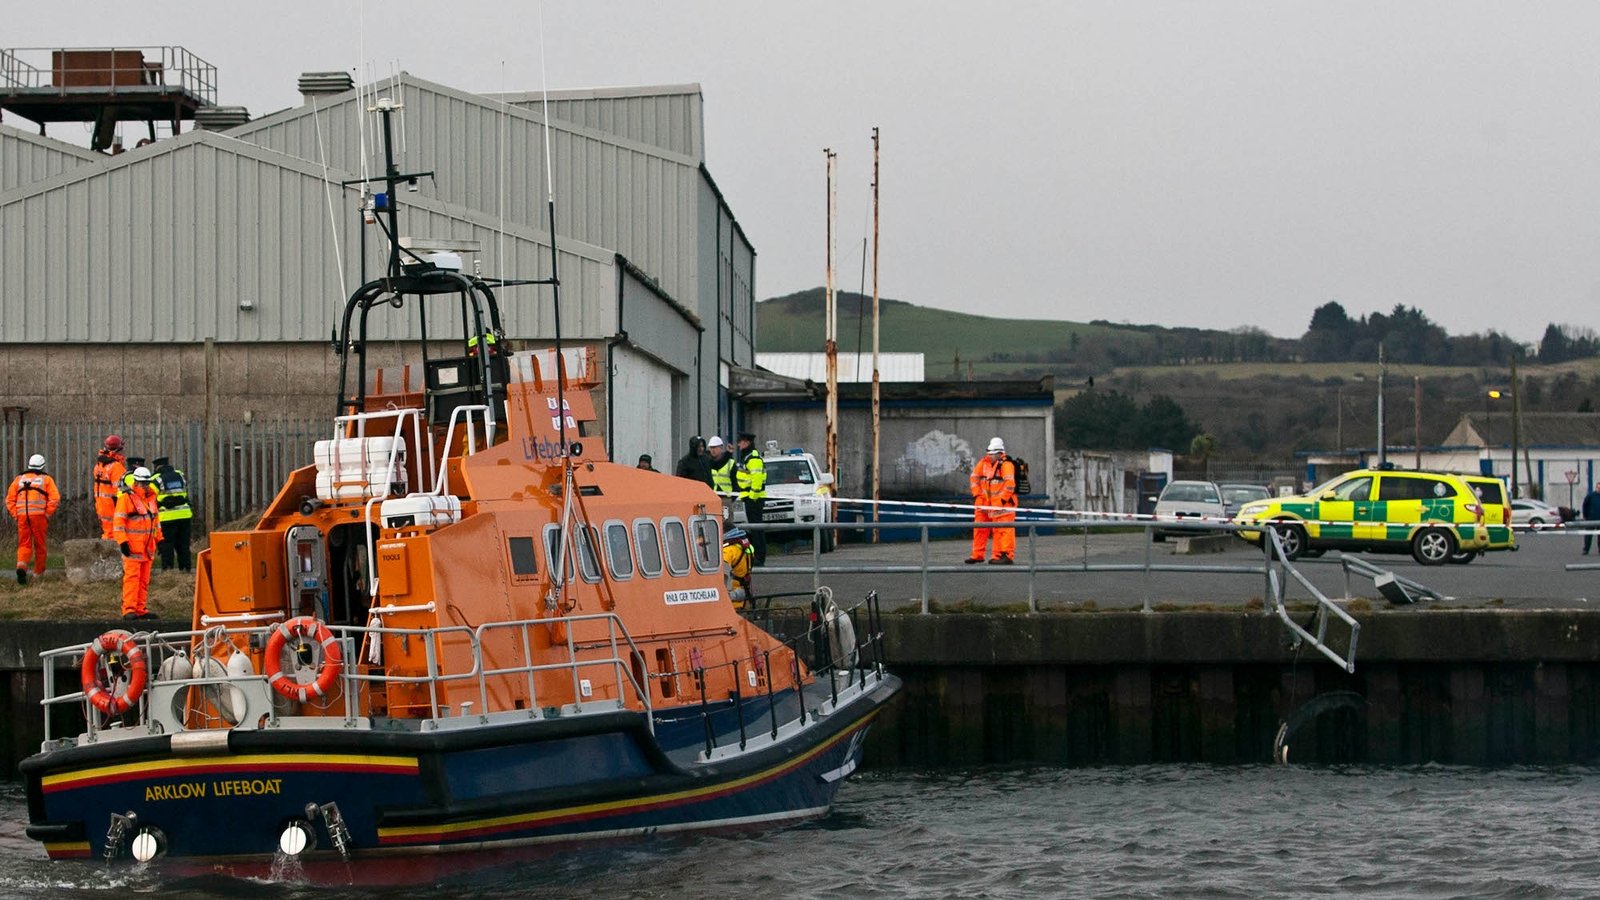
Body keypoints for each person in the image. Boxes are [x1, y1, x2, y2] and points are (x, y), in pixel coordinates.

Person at [113, 466, 163, 620]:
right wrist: (123, 542)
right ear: (135, 482)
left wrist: (160, 540)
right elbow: (118, 523)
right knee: (132, 579)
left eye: (147, 483)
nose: (145, 486)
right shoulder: (126, 498)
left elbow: (156, 522)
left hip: (147, 549)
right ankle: (129, 609)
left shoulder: (151, 499)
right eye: (142, 483)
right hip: (133, 548)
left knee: (143, 581)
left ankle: (140, 609)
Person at [6, 454, 60, 585]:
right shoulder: (46, 479)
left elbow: (9, 500)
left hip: (22, 516)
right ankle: (38, 574)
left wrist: (16, 514)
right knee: (40, 545)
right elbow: (55, 498)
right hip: (39, 516)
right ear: (43, 466)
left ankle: (21, 566)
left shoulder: (19, 479)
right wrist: (47, 514)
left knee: (24, 543)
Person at [967, 436, 1018, 564]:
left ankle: (1005, 555)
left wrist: (1001, 501)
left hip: (1002, 504)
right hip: (985, 502)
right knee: (980, 529)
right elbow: (974, 478)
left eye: (992, 454)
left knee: (1002, 530)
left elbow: (1010, 485)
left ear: (1000, 453)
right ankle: (978, 555)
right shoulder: (983, 463)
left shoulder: (1006, 465)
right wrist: (978, 495)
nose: (990, 456)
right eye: (989, 453)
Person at [151, 456, 193, 572]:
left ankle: (168, 569)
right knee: (183, 544)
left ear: (157, 467)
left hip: (167, 517)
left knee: (167, 545)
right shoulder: (180, 475)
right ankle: (185, 568)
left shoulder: (156, 479)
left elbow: (150, 496)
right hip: (184, 514)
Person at [734, 432, 768, 566]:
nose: (738, 445)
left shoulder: (752, 458)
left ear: (747, 443)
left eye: (740, 442)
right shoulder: (747, 456)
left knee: (757, 529)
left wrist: (753, 497)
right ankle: (757, 555)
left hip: (754, 499)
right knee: (754, 529)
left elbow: (757, 478)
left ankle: (760, 556)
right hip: (749, 497)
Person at [91, 434, 126, 540]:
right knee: (116, 533)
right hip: (113, 505)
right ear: (117, 450)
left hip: (101, 504)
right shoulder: (116, 467)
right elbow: (120, 490)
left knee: (107, 532)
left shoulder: (99, 465)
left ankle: (106, 548)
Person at [1583, 482, 1600, 555]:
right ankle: (1586, 549)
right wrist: (1586, 516)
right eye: (1598, 488)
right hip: (1591, 519)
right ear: (1596, 488)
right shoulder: (1591, 496)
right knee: (1588, 535)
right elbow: (1585, 506)